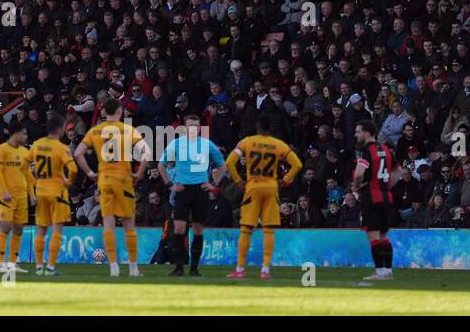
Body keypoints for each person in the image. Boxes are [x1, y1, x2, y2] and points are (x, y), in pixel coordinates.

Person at [75, 97, 150, 278]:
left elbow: (78, 153)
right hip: (123, 180)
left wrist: (90, 173)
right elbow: (147, 152)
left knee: (108, 224)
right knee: (129, 225)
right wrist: (139, 174)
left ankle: (113, 267)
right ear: (119, 111)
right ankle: (133, 268)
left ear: (104, 112)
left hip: (104, 181)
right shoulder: (127, 129)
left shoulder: (95, 130)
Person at [224, 114, 303, 279]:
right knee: (269, 230)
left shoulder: (247, 142)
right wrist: (285, 180)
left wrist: (238, 181)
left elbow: (230, 162)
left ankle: (240, 269)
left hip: (253, 186)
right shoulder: (278, 144)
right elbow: (297, 164)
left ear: (257, 127)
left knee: (246, 229)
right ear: (270, 128)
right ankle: (265, 270)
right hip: (271, 187)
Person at [158, 113, 227, 277]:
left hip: (200, 191)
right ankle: (179, 267)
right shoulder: (176, 144)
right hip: (183, 190)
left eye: (196, 127)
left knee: (197, 230)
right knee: (179, 229)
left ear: (200, 127)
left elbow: (223, 166)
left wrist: (213, 184)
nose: (193, 130)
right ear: (185, 127)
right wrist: (170, 185)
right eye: (190, 127)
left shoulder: (207, 145)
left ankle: (194, 268)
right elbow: (161, 165)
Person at [29, 112, 77, 276]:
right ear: (60, 129)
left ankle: (38, 267)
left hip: (41, 192)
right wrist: (68, 181)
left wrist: (34, 182)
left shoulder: (36, 145)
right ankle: (50, 267)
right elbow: (73, 169)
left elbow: (24, 165)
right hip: (57, 193)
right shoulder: (61, 148)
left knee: (41, 231)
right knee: (56, 230)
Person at [352, 119, 397, 282]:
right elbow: (397, 171)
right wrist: (386, 186)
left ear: (367, 133)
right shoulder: (386, 149)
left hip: (371, 198)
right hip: (386, 197)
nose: (356, 134)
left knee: (373, 235)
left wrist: (356, 187)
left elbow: (358, 174)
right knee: (384, 235)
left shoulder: (366, 151)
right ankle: (388, 271)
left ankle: (379, 272)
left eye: (358, 131)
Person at [0, 122, 34, 274]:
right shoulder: (1, 149)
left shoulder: (25, 152)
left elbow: (28, 175)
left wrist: (32, 194)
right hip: (7, 197)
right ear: (15, 134)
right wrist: (4, 191)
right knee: (6, 227)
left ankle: (12, 263)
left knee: (18, 230)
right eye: (23, 133)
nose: (25, 136)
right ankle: (0, 263)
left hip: (22, 197)